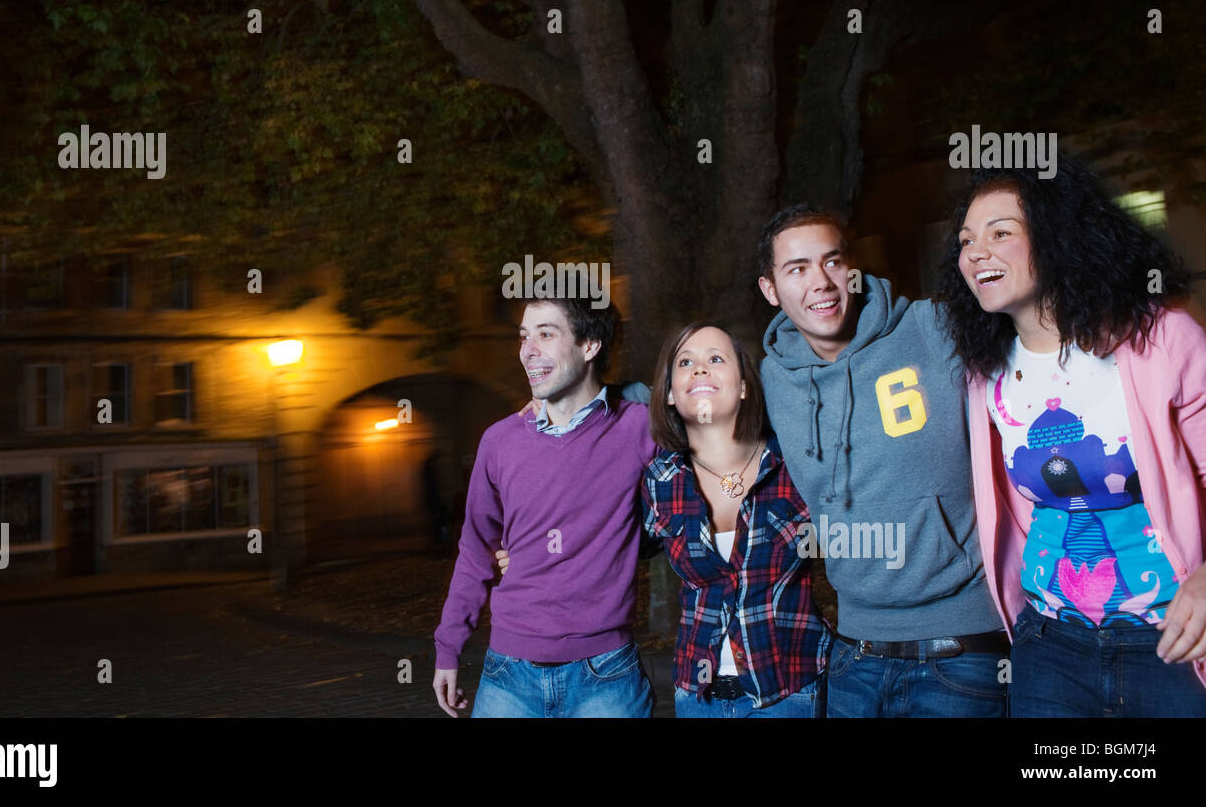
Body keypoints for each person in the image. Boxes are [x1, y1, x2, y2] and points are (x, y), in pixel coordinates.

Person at [936, 156, 1206, 716]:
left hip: (1169, 642)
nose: (975, 252)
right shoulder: (983, 375)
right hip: (1050, 646)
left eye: (1000, 233)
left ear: (1058, 238)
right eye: (966, 241)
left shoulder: (1161, 340)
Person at [755, 206, 1009, 717]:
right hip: (854, 654)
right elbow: (692, 406)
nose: (821, 283)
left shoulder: (932, 328)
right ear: (770, 289)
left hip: (962, 650)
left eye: (832, 261)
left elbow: (1042, 334)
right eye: (797, 269)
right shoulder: (772, 378)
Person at [431, 295, 657, 718]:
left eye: (546, 334)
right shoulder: (499, 440)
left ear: (590, 345)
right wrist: (448, 647)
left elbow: (710, 415)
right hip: (507, 675)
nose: (527, 350)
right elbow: (476, 550)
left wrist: (631, 392)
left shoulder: (636, 427)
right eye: (523, 336)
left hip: (606, 676)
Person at [640, 322, 831, 716]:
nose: (700, 370)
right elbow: (605, 542)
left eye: (715, 359)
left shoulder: (791, 463)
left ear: (744, 386)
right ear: (671, 393)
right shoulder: (659, 480)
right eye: (685, 362)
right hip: (697, 697)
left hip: (790, 693)